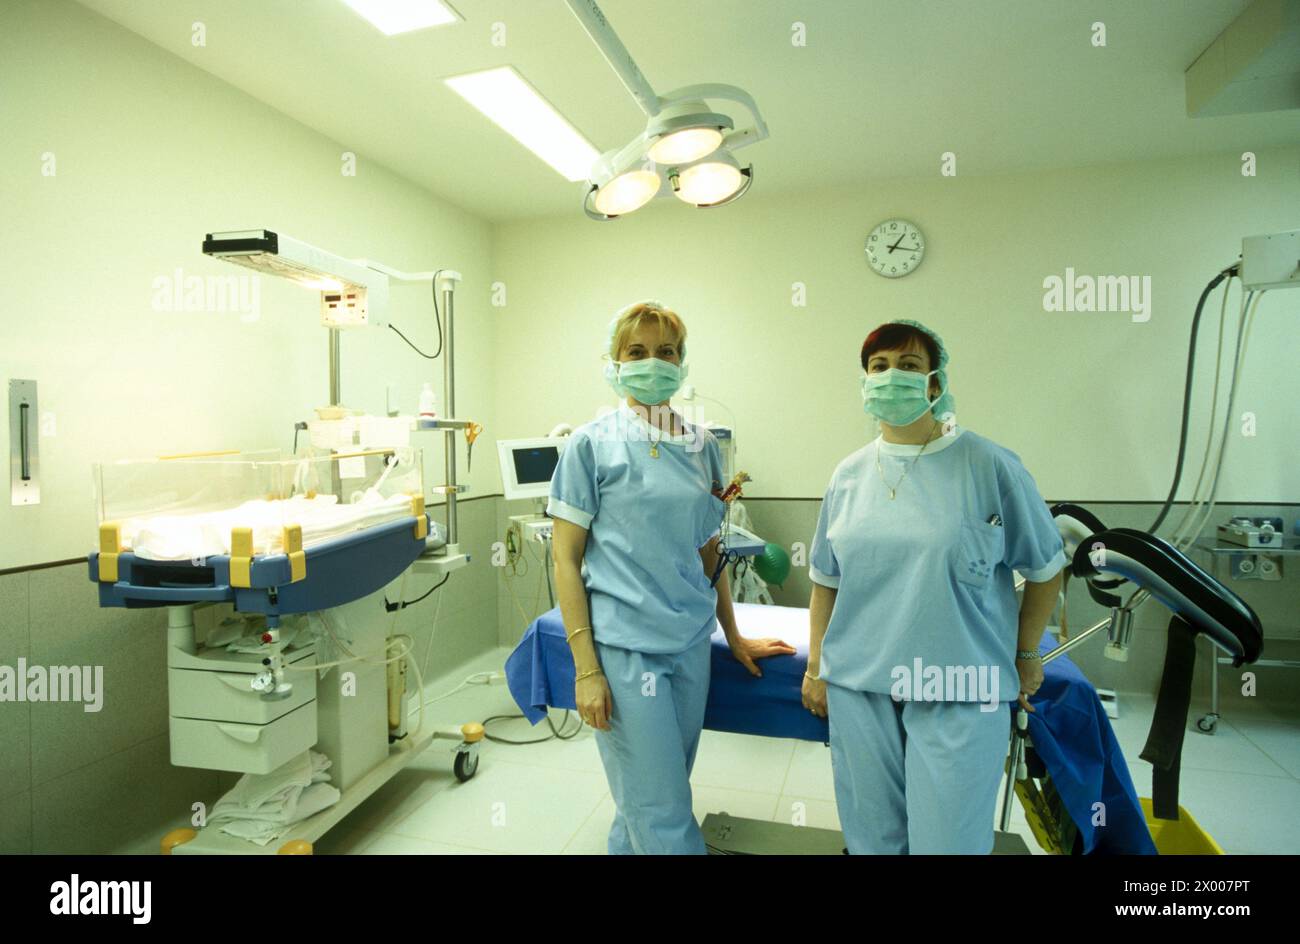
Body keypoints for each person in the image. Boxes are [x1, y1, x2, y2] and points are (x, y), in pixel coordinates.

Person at [802, 319, 1065, 854]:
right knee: (872, 839)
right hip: (860, 685)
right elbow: (826, 583)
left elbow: (1045, 568)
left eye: (909, 366)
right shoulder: (848, 475)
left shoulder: (989, 465)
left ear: (936, 384)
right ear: (864, 381)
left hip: (961, 687)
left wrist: (1026, 652)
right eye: (879, 367)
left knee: (947, 843)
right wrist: (815, 668)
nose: (891, 377)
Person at [549, 300, 794, 854]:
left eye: (666, 352)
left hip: (689, 641)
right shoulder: (591, 444)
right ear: (614, 362)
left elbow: (711, 551)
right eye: (637, 351)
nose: (652, 362)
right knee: (663, 812)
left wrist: (732, 634)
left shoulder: (702, 446)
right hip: (625, 645)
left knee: (653, 794)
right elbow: (565, 559)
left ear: (682, 364)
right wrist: (586, 669)